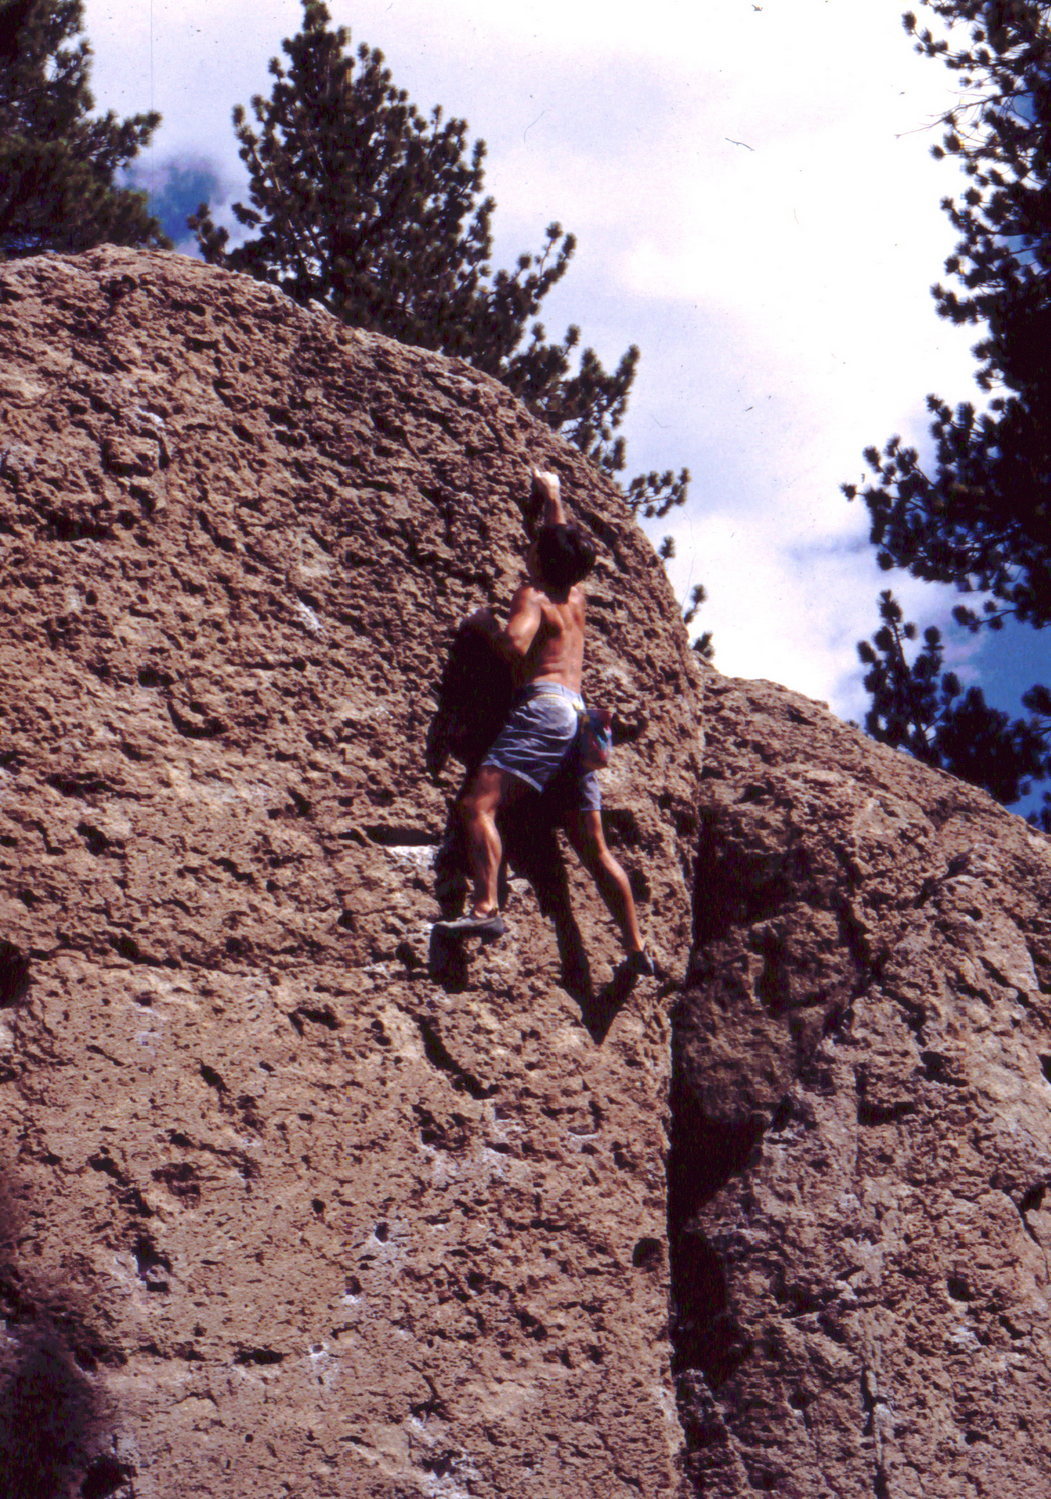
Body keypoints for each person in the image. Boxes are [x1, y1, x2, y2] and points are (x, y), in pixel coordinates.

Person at [433, 469, 653, 979]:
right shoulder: (576, 596)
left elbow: (513, 644)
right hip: (585, 720)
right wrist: (553, 495)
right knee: (594, 850)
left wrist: (481, 620)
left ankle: (486, 911)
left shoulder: (531, 595)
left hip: (546, 710)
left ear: (539, 560)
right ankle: (637, 948)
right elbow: (562, 544)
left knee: (476, 805)